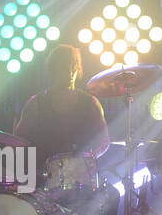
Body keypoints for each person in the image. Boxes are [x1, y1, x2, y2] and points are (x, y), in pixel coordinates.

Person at [13, 43, 110, 175]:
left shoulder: (91, 103)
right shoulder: (36, 104)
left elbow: (104, 141)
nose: (70, 72)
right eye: (65, 67)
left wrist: (89, 158)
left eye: (73, 67)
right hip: (43, 177)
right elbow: (17, 142)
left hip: (80, 177)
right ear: (54, 70)